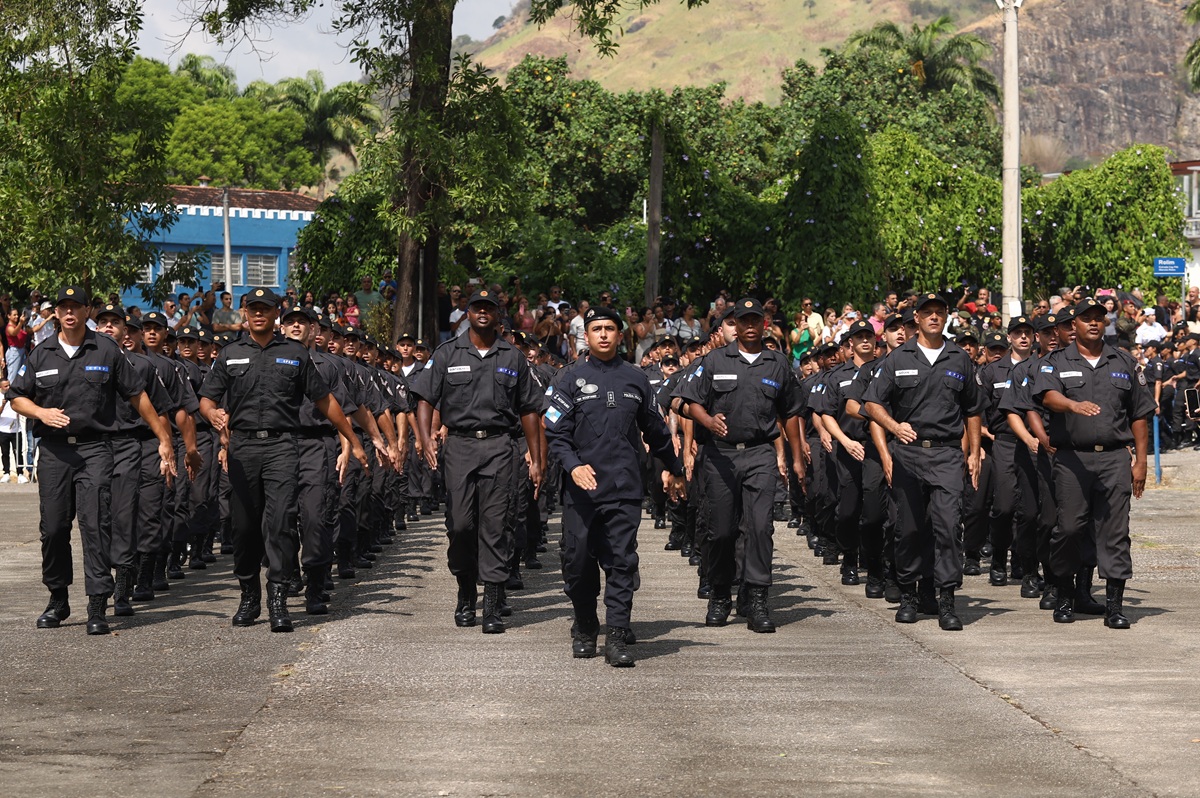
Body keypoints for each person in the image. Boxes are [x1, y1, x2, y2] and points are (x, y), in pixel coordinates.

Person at [7, 286, 176, 635]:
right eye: (63, 307)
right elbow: (16, 398)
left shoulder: (107, 350)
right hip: (54, 452)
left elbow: (137, 396)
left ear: (87, 311)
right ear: (55, 313)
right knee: (53, 529)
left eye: (75, 307)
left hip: (96, 449)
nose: (69, 312)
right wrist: (42, 412)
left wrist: (163, 438)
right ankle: (58, 598)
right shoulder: (42, 353)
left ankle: (98, 603)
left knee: (96, 525)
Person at [198, 287, 366, 633]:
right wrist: (213, 414)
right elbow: (206, 398)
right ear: (245, 313)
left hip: (281, 448)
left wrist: (351, 438)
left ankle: (277, 598)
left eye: (266, 309)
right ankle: (249, 594)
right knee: (243, 528)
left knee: (280, 524)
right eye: (253, 308)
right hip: (243, 448)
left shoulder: (295, 354)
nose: (259, 314)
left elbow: (324, 400)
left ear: (277, 314)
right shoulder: (229, 354)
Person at [544, 305, 684, 666]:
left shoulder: (635, 378)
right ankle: (586, 624)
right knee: (577, 563)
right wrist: (573, 467)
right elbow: (555, 434)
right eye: (596, 329)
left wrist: (675, 469)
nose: (603, 334)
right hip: (582, 489)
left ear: (621, 336)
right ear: (586, 336)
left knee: (621, 562)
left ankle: (618, 634)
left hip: (624, 486)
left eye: (610, 328)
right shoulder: (567, 378)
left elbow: (656, 430)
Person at [410, 288, 544, 634]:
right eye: (477, 307)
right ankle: (465, 592)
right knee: (460, 525)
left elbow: (529, 409)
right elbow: (425, 398)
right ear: (467, 313)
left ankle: (491, 604)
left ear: (499, 315)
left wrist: (535, 457)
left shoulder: (513, 357)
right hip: (460, 446)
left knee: (496, 525)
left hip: (500, 446)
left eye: (489, 308)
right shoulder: (447, 353)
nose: (483, 312)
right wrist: (425, 438)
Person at [676, 298, 806, 633]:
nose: (749, 325)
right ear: (733, 323)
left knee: (761, 527)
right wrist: (707, 420)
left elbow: (790, 413)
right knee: (721, 530)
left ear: (765, 323)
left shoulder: (777, 364)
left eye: (755, 319)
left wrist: (794, 458)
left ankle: (758, 596)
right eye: (741, 320)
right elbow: (689, 402)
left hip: (760, 452)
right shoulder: (714, 360)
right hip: (720, 455)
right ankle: (720, 593)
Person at [1031, 297, 1155, 628]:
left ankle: (1114, 605)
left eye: (1099, 318)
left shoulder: (1124, 362)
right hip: (1073, 458)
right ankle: (1065, 594)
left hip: (1115, 457)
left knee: (1115, 531)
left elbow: (1141, 414)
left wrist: (1141, 462)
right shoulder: (1056, 361)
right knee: (1069, 528)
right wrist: (1072, 405)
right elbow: (1047, 396)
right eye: (1086, 318)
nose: (1094, 323)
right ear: (1075, 325)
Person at [864, 293, 983, 631]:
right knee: (909, 528)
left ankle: (946, 599)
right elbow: (873, 404)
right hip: (909, 454)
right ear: (915, 318)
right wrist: (893, 427)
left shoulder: (959, 358)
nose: (934, 317)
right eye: (928, 312)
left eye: (940, 312)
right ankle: (910, 594)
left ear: (946, 317)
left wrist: (973, 452)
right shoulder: (898, 357)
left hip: (946, 453)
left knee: (947, 525)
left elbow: (973, 409)